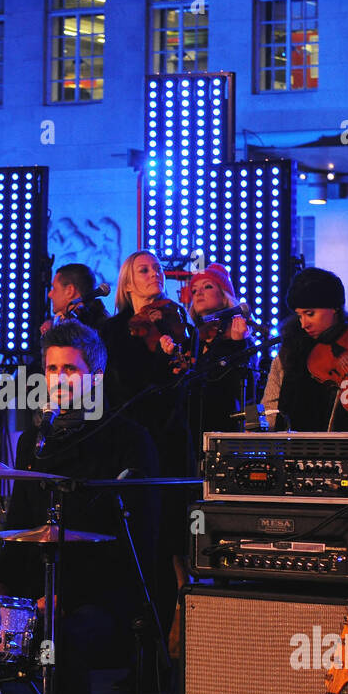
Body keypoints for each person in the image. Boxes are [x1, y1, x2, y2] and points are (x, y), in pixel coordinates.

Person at [0, 320, 160, 694]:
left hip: (106, 598)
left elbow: (135, 542)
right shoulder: (34, 440)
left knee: (59, 640)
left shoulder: (129, 439)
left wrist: (62, 594)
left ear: (95, 377)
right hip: (47, 592)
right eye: (51, 369)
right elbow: (22, 518)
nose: (58, 380)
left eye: (70, 369)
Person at [99, 250, 195, 646]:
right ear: (127, 283)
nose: (154, 273)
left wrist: (177, 356)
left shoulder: (177, 320)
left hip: (170, 440)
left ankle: (161, 651)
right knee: (133, 546)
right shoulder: (114, 330)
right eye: (144, 270)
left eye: (156, 269)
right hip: (131, 441)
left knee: (168, 543)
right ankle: (131, 648)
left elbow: (183, 383)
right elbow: (120, 386)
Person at [260, 267, 348, 431]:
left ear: (334, 307)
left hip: (345, 450)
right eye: (299, 316)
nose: (303, 324)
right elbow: (271, 405)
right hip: (292, 448)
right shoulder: (291, 348)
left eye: (310, 314)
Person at [180, 263, 257, 436]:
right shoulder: (190, 339)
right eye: (194, 290)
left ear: (224, 297)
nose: (198, 293)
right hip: (191, 428)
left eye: (207, 286)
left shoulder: (240, 338)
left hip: (225, 429)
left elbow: (248, 392)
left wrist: (238, 344)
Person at [40, 262, 109, 336]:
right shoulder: (62, 321)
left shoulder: (98, 328)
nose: (50, 294)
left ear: (70, 291)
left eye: (54, 288)